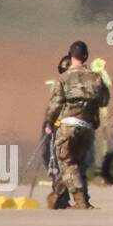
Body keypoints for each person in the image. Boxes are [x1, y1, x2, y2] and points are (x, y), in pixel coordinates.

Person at [45, 41, 109, 210]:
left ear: (70, 56)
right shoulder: (96, 78)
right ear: (86, 56)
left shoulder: (63, 78)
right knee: (74, 165)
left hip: (68, 126)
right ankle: (56, 198)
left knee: (67, 162)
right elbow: (104, 101)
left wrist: (49, 122)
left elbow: (55, 104)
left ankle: (81, 202)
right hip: (87, 128)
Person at [43, 54, 72, 208]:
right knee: (56, 161)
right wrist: (49, 123)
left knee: (62, 162)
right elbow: (53, 107)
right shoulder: (60, 85)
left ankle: (60, 197)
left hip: (65, 127)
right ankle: (60, 197)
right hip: (58, 126)